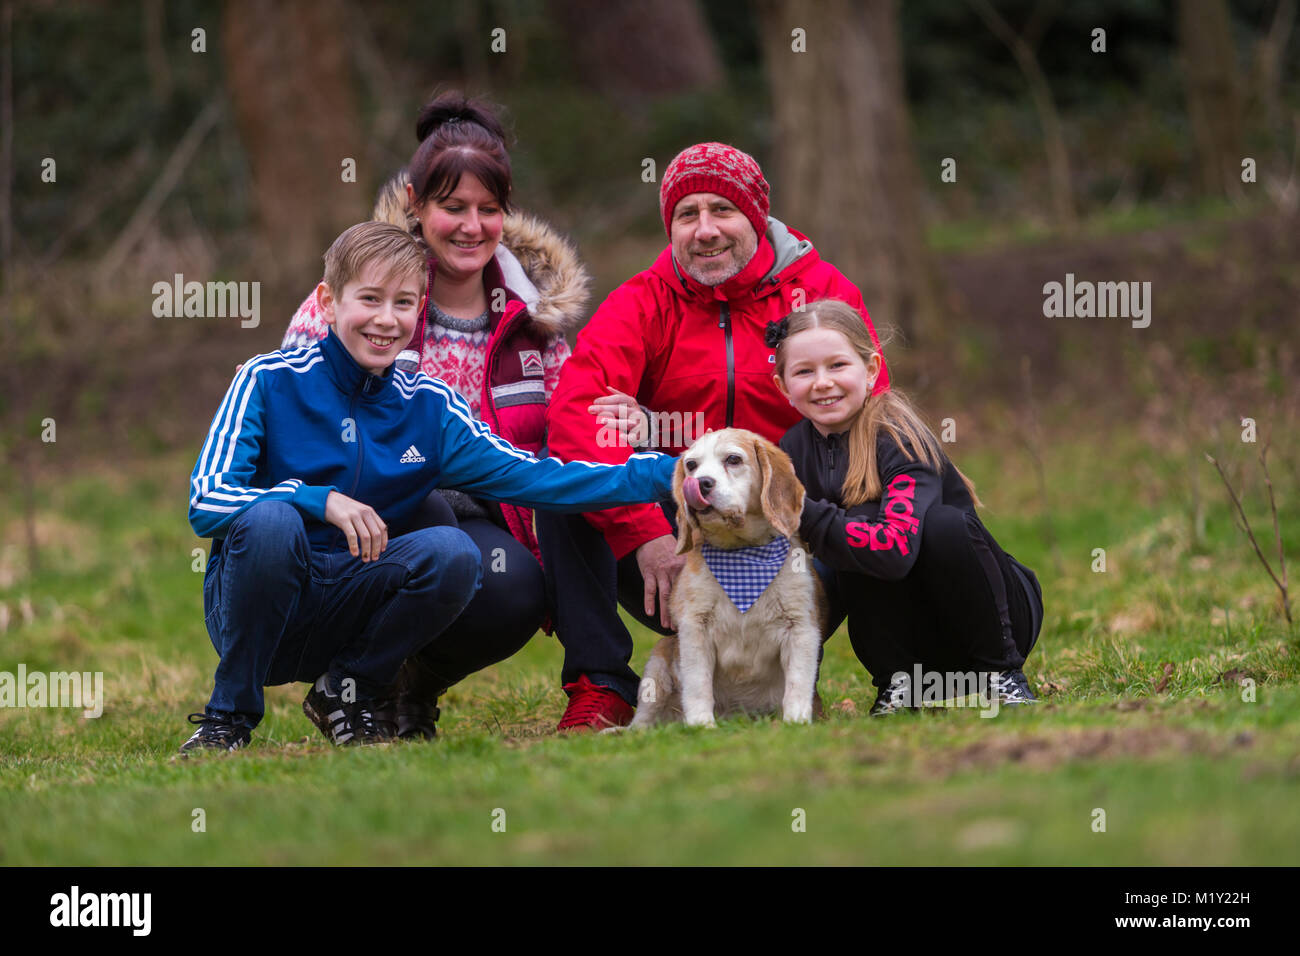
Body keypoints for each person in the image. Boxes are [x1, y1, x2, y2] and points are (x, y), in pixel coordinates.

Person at [181, 221, 675, 754]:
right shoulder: (266, 379)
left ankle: (349, 691)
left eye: (403, 303)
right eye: (369, 299)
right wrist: (314, 498)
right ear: (328, 302)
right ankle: (227, 717)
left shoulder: (429, 406)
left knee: (454, 552)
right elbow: (207, 500)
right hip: (263, 603)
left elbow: (541, 477)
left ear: (419, 312)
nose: (385, 319)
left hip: (354, 600)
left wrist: (667, 472)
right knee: (272, 521)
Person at [541, 142, 889, 730]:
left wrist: (804, 520)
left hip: (798, 540)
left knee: (890, 495)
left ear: (755, 217)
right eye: (686, 214)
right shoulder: (640, 303)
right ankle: (599, 686)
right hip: (676, 551)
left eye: (722, 210)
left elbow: (871, 416)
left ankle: (900, 675)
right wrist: (644, 531)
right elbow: (577, 418)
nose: (704, 231)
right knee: (563, 495)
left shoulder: (820, 292)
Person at [281, 91, 589, 738]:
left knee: (513, 587)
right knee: (431, 507)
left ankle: (408, 688)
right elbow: (293, 408)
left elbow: (570, 432)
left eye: (488, 210)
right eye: (452, 208)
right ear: (416, 207)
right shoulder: (359, 297)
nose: (471, 226)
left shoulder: (533, 323)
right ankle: (355, 678)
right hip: (359, 511)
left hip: (484, 519)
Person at [770, 299, 1043, 714]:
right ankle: (898, 685)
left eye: (838, 365)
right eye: (804, 371)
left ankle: (1002, 675)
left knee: (932, 526)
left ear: (872, 370)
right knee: (845, 534)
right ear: (783, 386)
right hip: (915, 643)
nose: (822, 382)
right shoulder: (791, 452)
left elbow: (892, 550)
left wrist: (799, 510)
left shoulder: (899, 434)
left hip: (994, 621)